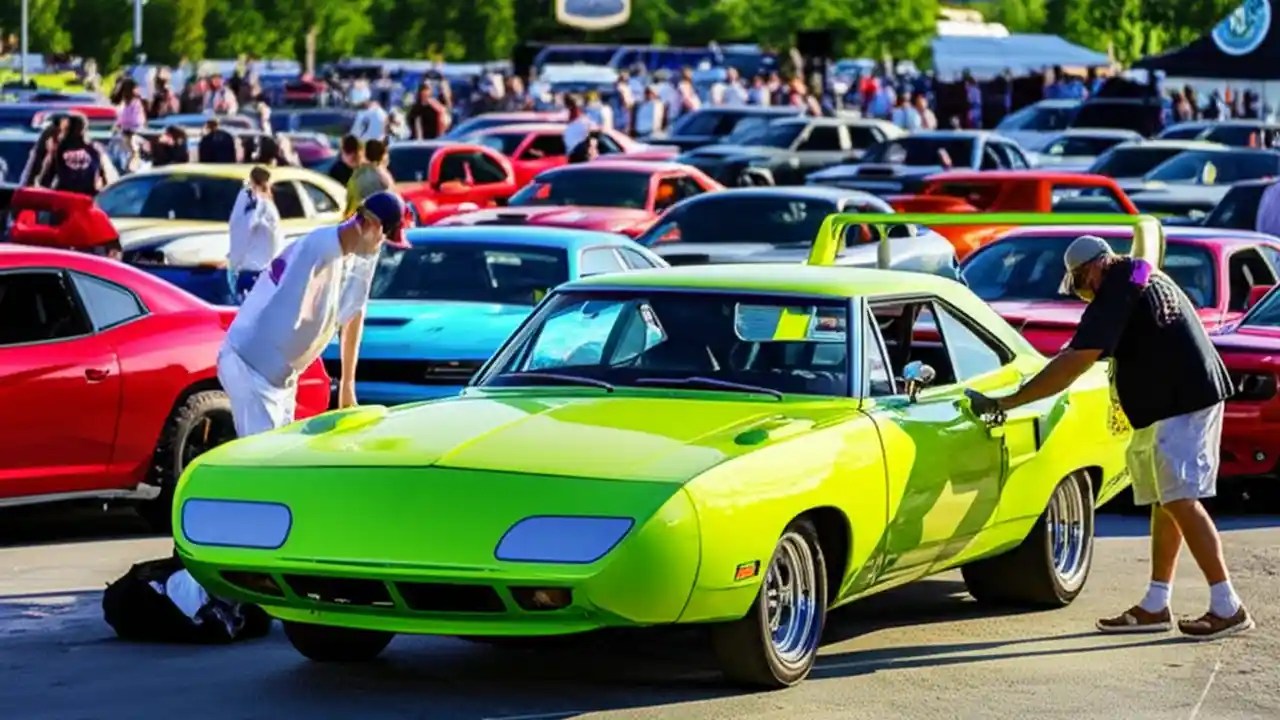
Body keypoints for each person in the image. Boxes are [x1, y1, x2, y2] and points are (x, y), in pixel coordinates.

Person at [967, 235, 1253, 640]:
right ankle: (1156, 603)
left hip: (1185, 400)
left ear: (1095, 267)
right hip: (1171, 400)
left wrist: (1011, 401)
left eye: (1082, 282)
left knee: (1180, 500)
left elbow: (1076, 362)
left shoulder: (1119, 286)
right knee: (1166, 501)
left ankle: (1228, 606)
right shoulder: (1135, 276)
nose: (1083, 293)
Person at [217, 191, 410, 437]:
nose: (380, 246)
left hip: (282, 377)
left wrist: (347, 385)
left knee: (278, 458)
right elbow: (283, 314)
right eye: (383, 238)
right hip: (250, 366)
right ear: (372, 226)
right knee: (263, 461)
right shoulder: (317, 248)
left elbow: (354, 312)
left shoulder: (362, 253)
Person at [226, 166, 282, 304]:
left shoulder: (256, 204)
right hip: (260, 272)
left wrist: (234, 263)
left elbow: (240, 231)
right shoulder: (259, 204)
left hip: (253, 272)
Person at [49, 115, 111, 197]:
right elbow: (103, 176)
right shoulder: (93, 149)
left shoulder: (60, 148)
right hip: (87, 195)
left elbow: (49, 174)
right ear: (84, 129)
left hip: (66, 195)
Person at [344, 139, 395, 216]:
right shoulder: (383, 176)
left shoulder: (356, 176)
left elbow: (350, 204)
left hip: (361, 221)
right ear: (383, 156)